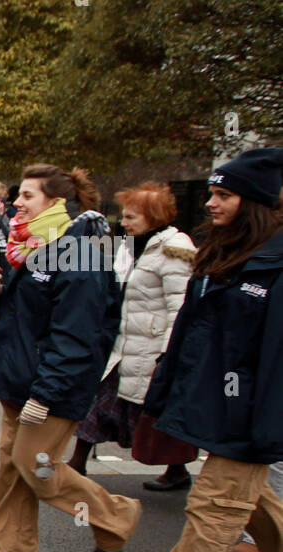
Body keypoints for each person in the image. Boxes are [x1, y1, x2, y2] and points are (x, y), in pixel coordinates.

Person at [126, 148, 283, 552]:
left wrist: (265, 425)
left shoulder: (274, 266)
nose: (211, 203)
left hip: (253, 413)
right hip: (215, 403)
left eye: (224, 195)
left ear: (253, 203)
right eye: (212, 194)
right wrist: (165, 390)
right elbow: (189, 334)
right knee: (254, 504)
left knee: (214, 505)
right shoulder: (217, 253)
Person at [0, 163, 142, 552]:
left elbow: (76, 335)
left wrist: (46, 393)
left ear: (56, 201)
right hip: (21, 377)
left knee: (36, 467)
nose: (17, 202)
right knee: (14, 465)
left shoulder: (82, 253)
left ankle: (117, 515)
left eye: (28, 195)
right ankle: (10, 544)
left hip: (50, 385)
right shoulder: (37, 245)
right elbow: (29, 317)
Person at [66, 183, 195, 484]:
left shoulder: (175, 250)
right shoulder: (130, 247)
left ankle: (177, 469)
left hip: (151, 348)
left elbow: (181, 307)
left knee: (151, 412)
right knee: (99, 403)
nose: (123, 223)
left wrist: (168, 352)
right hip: (125, 344)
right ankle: (77, 461)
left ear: (154, 216)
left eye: (131, 217)